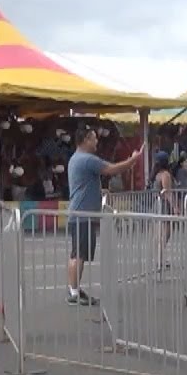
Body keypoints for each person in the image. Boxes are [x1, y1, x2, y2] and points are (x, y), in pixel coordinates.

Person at [66, 126, 142, 306]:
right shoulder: (87, 160)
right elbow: (112, 169)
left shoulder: (76, 159)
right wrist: (133, 160)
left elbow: (83, 184)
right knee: (79, 254)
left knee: (78, 253)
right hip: (82, 214)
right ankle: (73, 292)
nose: (96, 141)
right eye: (93, 138)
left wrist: (98, 191)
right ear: (85, 139)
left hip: (80, 213)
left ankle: (74, 289)